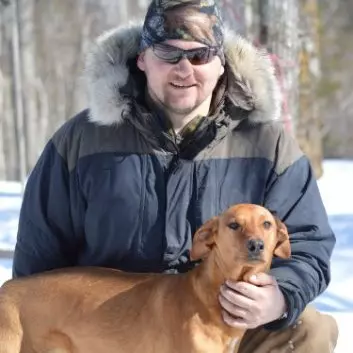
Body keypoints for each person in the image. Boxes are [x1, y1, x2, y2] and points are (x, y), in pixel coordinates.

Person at [13, 0, 338, 351]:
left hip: (229, 318)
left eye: (199, 56)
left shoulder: (267, 143)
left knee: (308, 330)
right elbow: (39, 258)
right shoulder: (82, 140)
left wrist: (280, 297)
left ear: (221, 62)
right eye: (168, 53)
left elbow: (308, 244)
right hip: (112, 325)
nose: (184, 69)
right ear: (142, 58)